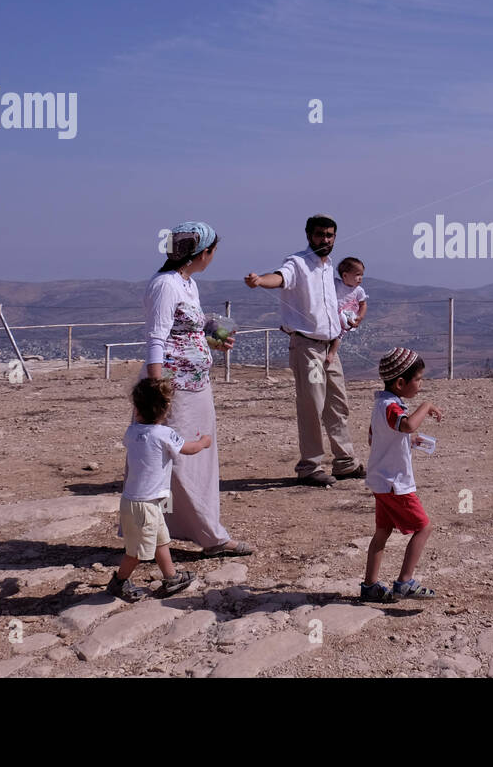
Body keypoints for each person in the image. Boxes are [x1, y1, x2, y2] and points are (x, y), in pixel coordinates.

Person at [140, 221, 251, 555]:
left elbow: (187, 330)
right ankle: (200, 535)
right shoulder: (165, 285)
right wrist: (155, 391)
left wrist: (213, 340)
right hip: (173, 389)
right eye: (213, 251)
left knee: (199, 460)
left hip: (197, 385)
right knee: (175, 459)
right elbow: (156, 337)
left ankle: (185, 530)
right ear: (203, 253)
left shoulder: (187, 284)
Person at [244, 214, 365, 487]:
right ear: (309, 235)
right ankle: (310, 466)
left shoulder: (328, 266)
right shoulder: (297, 263)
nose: (326, 239)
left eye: (330, 235)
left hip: (330, 346)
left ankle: (345, 462)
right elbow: (280, 277)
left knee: (337, 403)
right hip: (307, 346)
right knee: (312, 404)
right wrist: (260, 281)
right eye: (321, 234)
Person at [108, 378, 208, 601]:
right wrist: (204, 442)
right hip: (146, 504)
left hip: (135, 500)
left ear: (136, 408)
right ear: (165, 409)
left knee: (161, 539)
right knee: (136, 552)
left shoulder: (131, 432)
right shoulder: (164, 434)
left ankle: (171, 577)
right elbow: (189, 449)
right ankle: (119, 582)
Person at [360, 347, 442, 603]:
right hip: (396, 484)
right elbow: (406, 423)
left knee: (382, 532)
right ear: (400, 382)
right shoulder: (392, 407)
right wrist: (426, 406)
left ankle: (370, 585)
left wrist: (409, 440)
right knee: (424, 528)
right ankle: (404, 582)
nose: (420, 384)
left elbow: (376, 437)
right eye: (418, 379)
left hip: (380, 481)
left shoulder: (380, 404)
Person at [324, 257, 367, 368]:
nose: (360, 278)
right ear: (345, 275)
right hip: (332, 314)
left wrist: (360, 317)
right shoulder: (336, 284)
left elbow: (363, 304)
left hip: (346, 317)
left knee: (339, 336)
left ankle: (332, 353)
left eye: (362, 275)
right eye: (357, 275)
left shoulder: (359, 291)